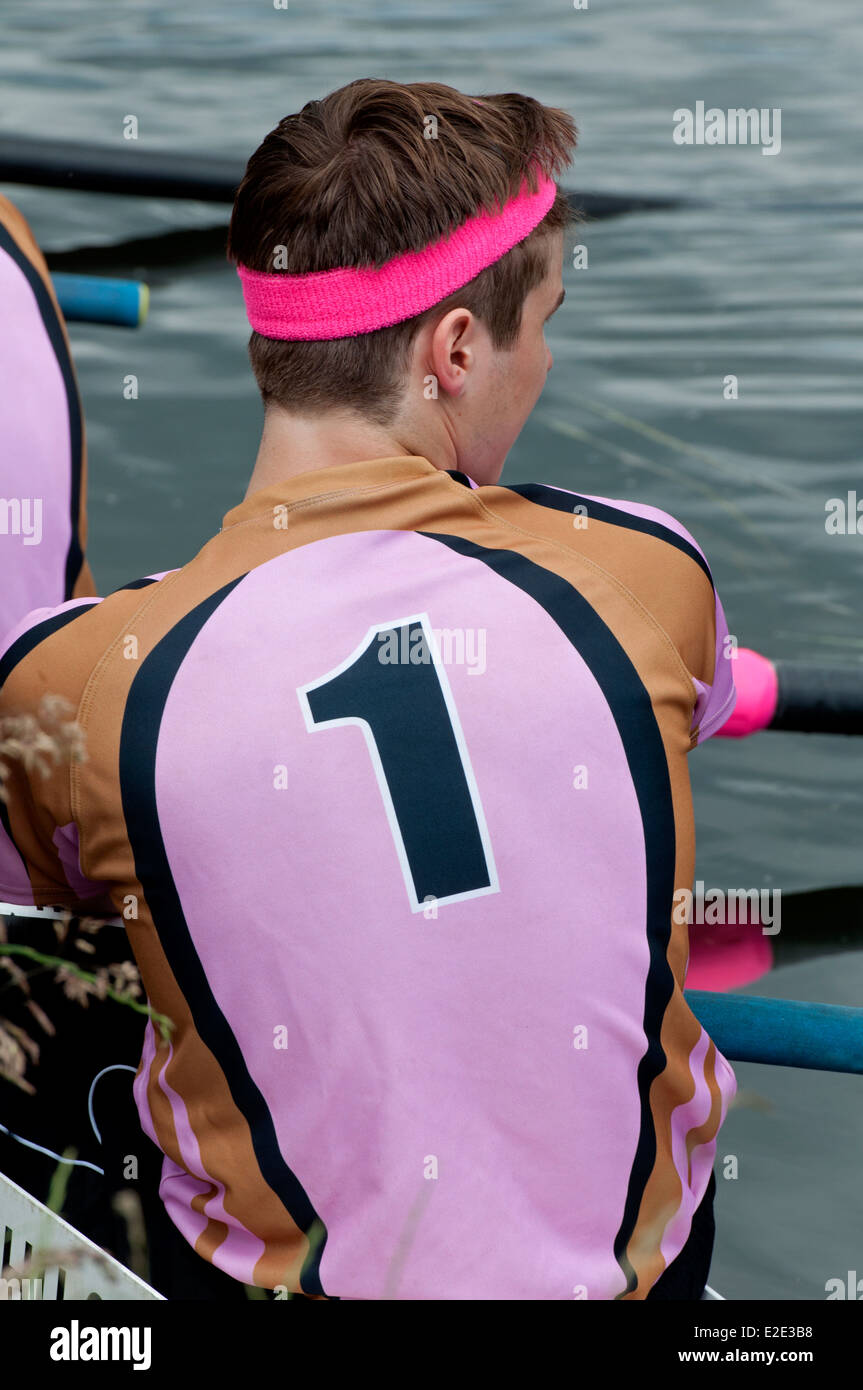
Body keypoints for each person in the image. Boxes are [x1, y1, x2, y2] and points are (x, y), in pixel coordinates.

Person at [0, 78, 736, 1300]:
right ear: (452, 349)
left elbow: (38, 901)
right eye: (539, 321)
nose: (544, 359)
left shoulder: (81, 676)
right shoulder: (646, 570)